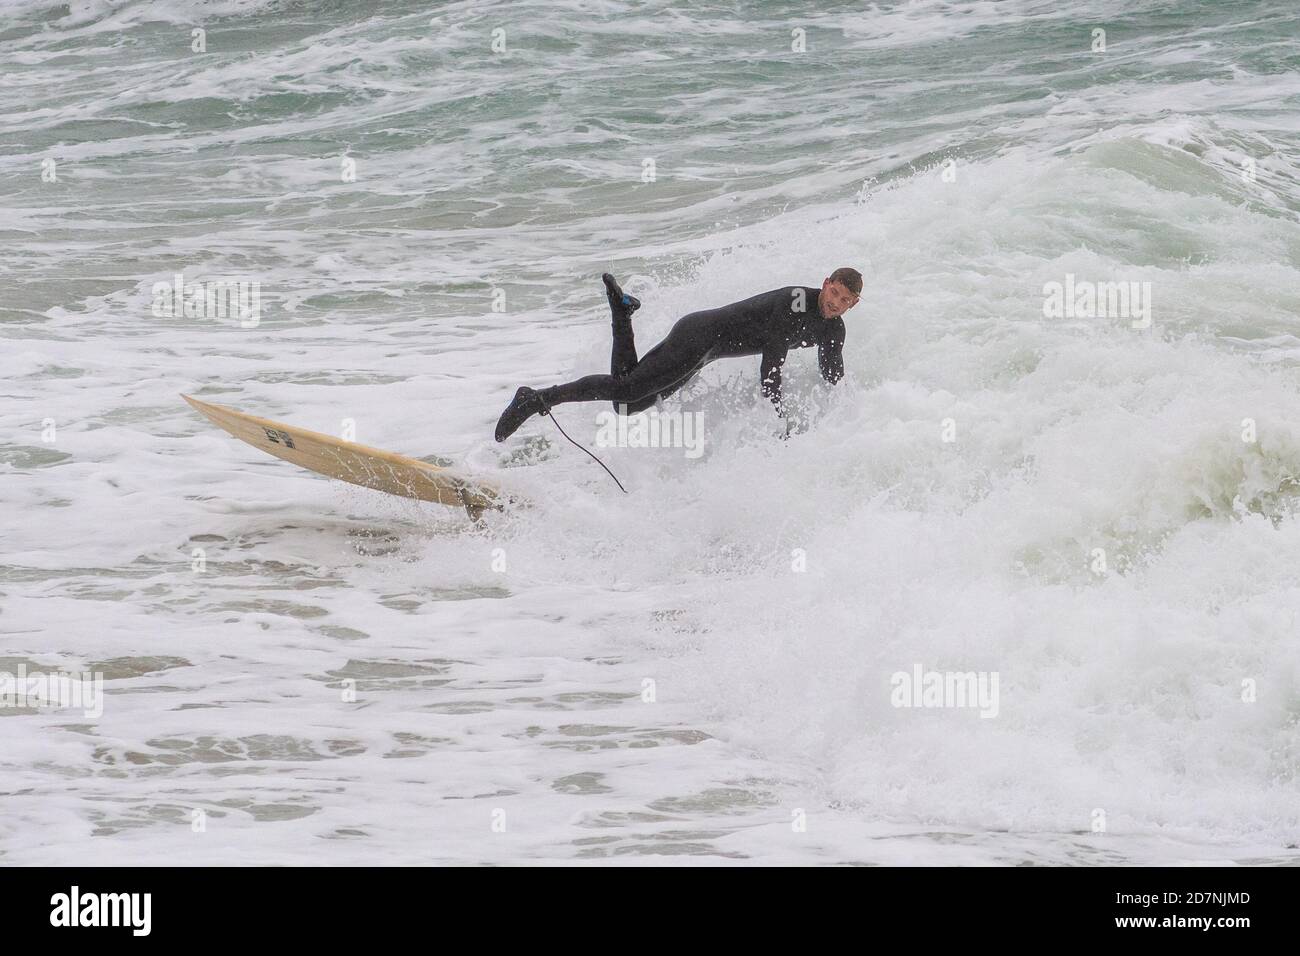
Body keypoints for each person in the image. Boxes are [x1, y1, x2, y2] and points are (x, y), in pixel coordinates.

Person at [494, 268, 863, 441]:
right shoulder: (795, 301)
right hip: (700, 335)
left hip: (707, 353)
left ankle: (622, 315)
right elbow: (772, 364)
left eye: (845, 301)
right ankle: (537, 398)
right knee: (625, 390)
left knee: (626, 404)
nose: (835, 304)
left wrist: (843, 420)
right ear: (826, 283)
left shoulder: (834, 330)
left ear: (853, 304)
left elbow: (833, 379)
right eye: (834, 293)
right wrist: (779, 417)